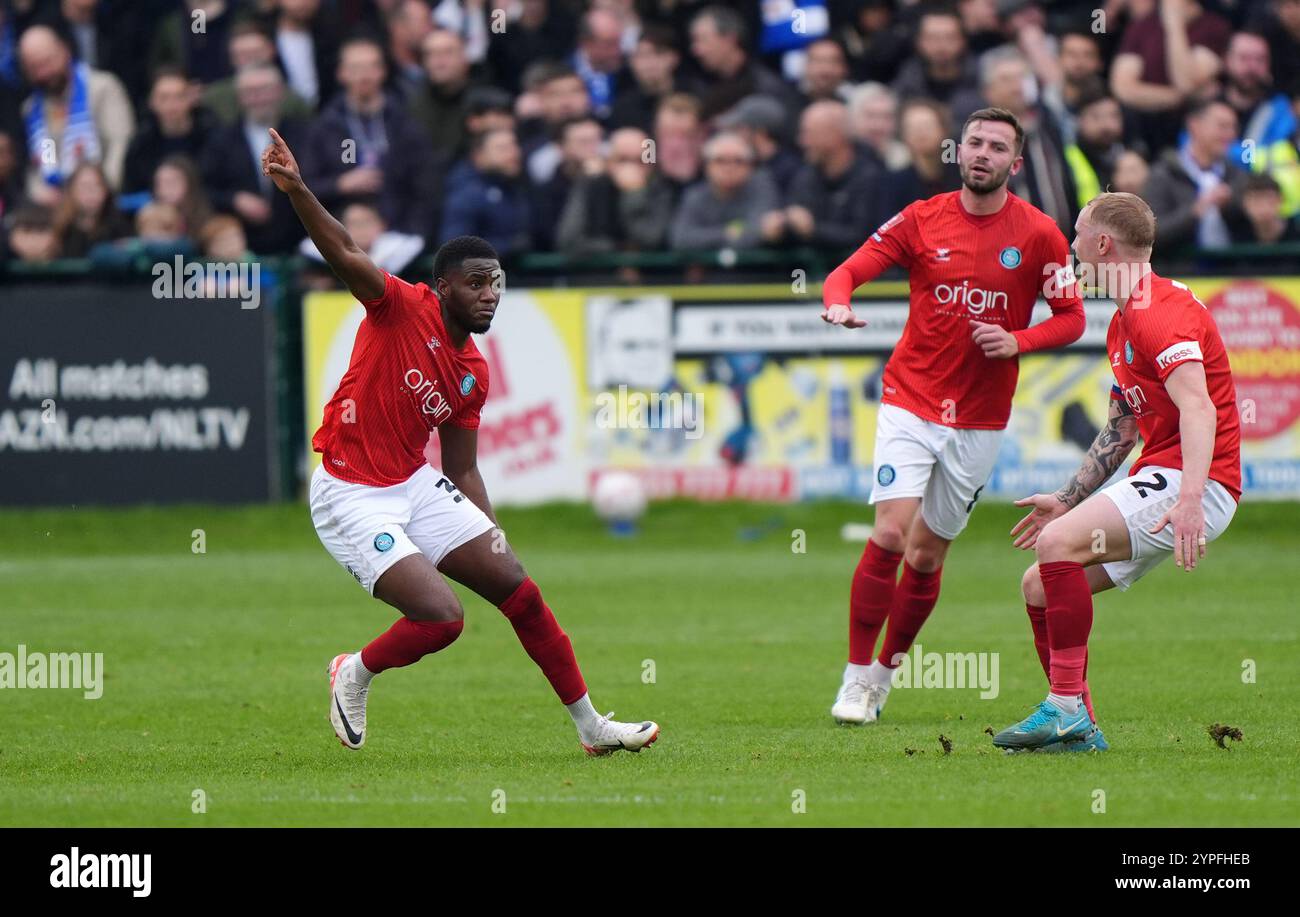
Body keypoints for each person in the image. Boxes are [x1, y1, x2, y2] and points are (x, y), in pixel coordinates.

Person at [259, 127, 660, 756]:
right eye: (476, 282)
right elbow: (343, 249)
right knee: (443, 619)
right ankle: (354, 671)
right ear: (444, 286)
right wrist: (299, 190)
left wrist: (491, 532)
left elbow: (463, 468)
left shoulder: (473, 372)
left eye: (496, 282)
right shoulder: (398, 307)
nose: (489, 294)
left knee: (520, 591)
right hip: (350, 492)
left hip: (413, 483)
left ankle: (591, 727)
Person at [820, 107, 1086, 726]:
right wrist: (836, 304)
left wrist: (1018, 341)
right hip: (910, 398)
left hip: (980, 419)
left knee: (928, 555)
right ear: (958, 151)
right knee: (890, 532)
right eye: (974, 142)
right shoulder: (921, 217)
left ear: (1014, 164)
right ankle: (855, 679)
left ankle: (887, 674)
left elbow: (1072, 317)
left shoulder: (1042, 234)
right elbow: (848, 271)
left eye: (997, 147)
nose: (983, 153)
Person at [995, 191, 1241, 752]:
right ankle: (1081, 733)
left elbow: (1200, 409)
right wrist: (1067, 496)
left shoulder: (1158, 315)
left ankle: (1062, 709)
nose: (1070, 246)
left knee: (1055, 546)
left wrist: (1189, 501)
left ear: (1102, 244)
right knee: (1039, 584)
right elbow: (1122, 429)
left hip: (1194, 483)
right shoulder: (1126, 318)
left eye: (1077, 234)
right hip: (1171, 478)